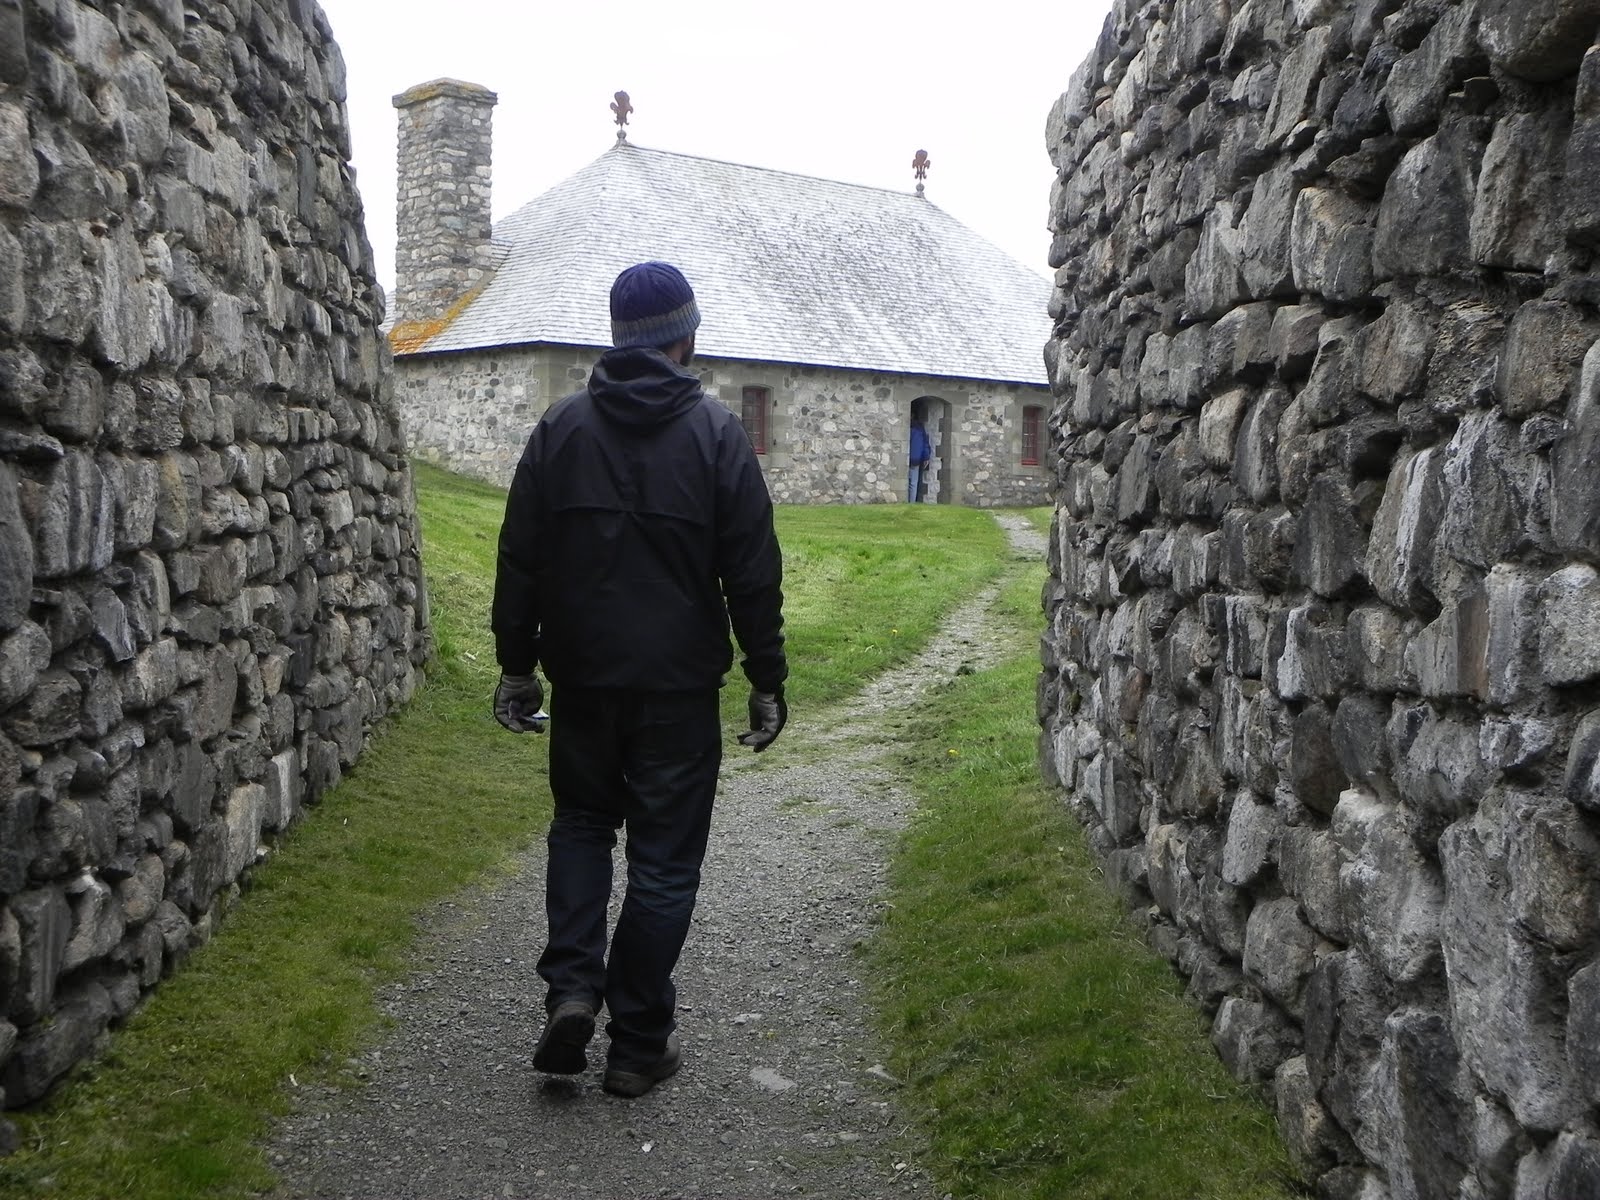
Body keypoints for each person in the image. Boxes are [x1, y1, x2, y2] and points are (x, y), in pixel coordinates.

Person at [490, 261, 788, 1099]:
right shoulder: (717, 435)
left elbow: (520, 558)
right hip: (677, 690)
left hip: (584, 678)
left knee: (582, 826)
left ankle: (572, 991)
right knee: (663, 860)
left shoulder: (562, 427)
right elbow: (753, 574)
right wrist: (766, 678)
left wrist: (517, 666)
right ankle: (637, 1043)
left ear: (618, 338)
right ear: (685, 338)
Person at [908, 408, 933, 503]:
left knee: (910, 482)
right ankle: (911, 503)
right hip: (916, 458)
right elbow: (925, 444)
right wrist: (926, 457)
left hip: (912, 458)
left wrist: (926, 457)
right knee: (913, 483)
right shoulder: (919, 428)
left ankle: (908, 502)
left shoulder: (913, 428)